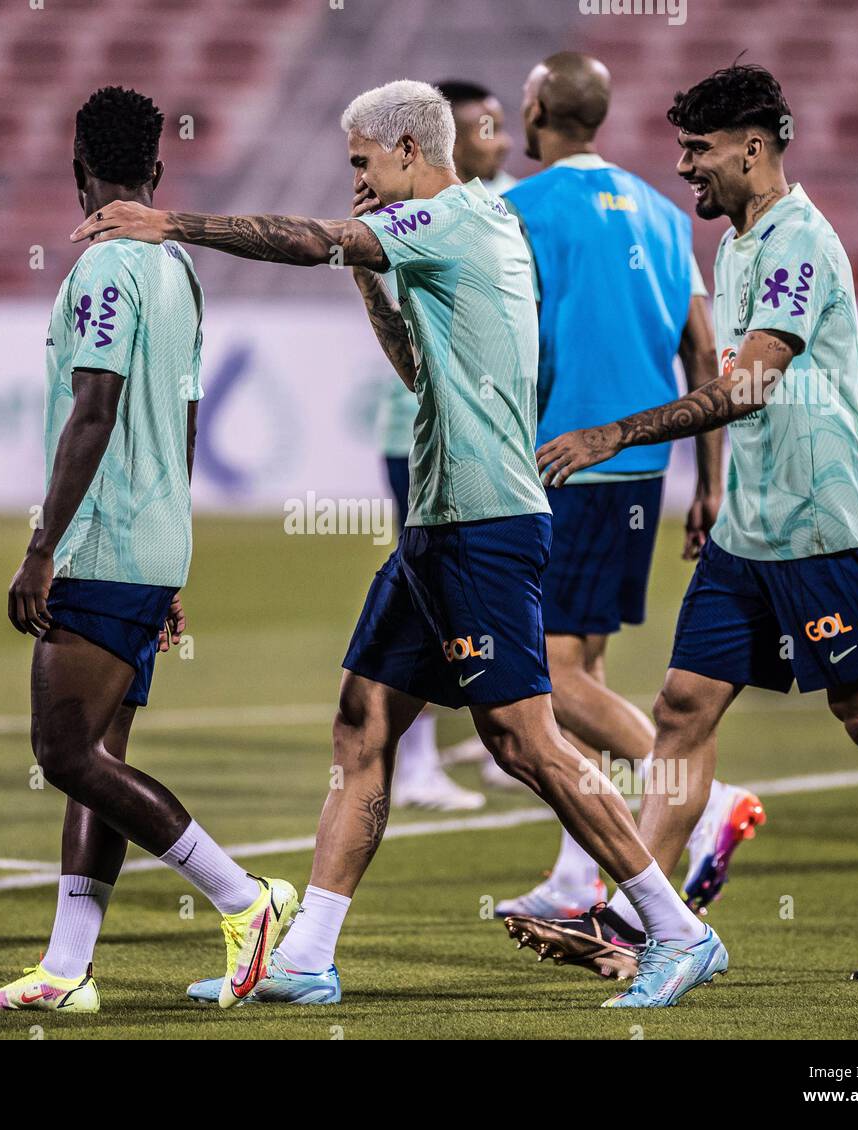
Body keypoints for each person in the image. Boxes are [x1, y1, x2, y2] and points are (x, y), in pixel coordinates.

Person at [73, 78, 728, 1009]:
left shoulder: (458, 217)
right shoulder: (448, 235)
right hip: (438, 521)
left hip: (482, 520)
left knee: (523, 740)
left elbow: (310, 240)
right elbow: (417, 368)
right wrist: (371, 274)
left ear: (409, 151)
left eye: (362, 161)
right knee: (364, 721)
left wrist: (169, 223)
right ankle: (307, 956)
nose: (359, 178)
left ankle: (677, 930)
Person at [528, 64, 858, 984]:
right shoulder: (734, 243)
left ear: (754, 146)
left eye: (699, 149)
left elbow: (746, 384)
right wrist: (718, 489)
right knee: (681, 708)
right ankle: (635, 915)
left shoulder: (798, 241)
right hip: (748, 534)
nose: (686, 166)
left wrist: (619, 430)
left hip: (819, 526)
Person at [0, 87, 297, 1014]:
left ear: (78, 171)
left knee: (65, 753)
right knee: (101, 753)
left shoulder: (106, 269)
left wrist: (42, 547)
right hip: (152, 541)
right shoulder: (178, 268)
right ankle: (66, 972)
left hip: (104, 543)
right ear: (156, 172)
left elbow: (96, 408)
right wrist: (175, 548)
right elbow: (186, 415)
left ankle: (247, 897)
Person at [495, 52, 764, 933]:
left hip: (565, 460)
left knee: (547, 677)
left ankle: (705, 794)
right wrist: (711, 479)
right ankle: (584, 870)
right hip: (643, 470)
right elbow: (703, 350)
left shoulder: (518, 209)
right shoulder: (659, 209)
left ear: (537, 110)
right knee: (592, 669)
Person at [384, 78, 513, 813]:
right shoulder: (424, 217)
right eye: (481, 127)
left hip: (492, 443)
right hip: (428, 440)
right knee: (434, 602)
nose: (496, 137)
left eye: (498, 124)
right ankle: (424, 757)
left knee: (470, 602)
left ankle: (514, 734)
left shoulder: (501, 207)